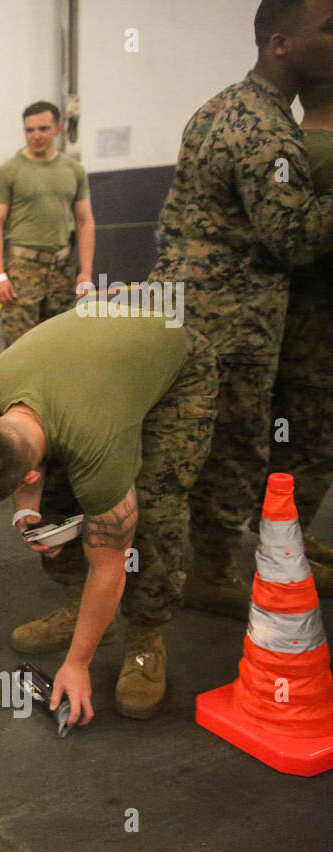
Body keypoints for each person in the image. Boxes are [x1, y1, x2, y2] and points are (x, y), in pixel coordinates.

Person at [147, 0, 333, 619]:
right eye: (327, 29)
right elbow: (297, 237)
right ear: (280, 44)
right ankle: (213, 572)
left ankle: (186, 570)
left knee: (182, 449)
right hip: (235, 323)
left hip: (186, 312)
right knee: (233, 450)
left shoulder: (221, 106)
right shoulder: (269, 130)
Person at [0, 304, 217, 723]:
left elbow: (110, 564)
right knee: (59, 504)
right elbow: (21, 460)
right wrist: (27, 511)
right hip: (100, 364)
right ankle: (85, 609)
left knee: (152, 511)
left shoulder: (96, 443)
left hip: (176, 360)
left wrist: (76, 664)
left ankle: (146, 637)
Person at [265, 80, 333, 587]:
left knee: (289, 436)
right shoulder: (322, 155)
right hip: (315, 328)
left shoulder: (283, 144)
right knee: (309, 443)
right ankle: (281, 553)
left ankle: (283, 541)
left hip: (283, 321)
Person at [0, 101, 94, 347]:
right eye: (29, 130)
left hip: (63, 269)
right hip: (22, 271)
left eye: (43, 128)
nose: (36, 136)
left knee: (61, 343)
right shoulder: (8, 172)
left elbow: (85, 221)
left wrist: (85, 272)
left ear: (58, 128)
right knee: (19, 347)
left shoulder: (73, 170)